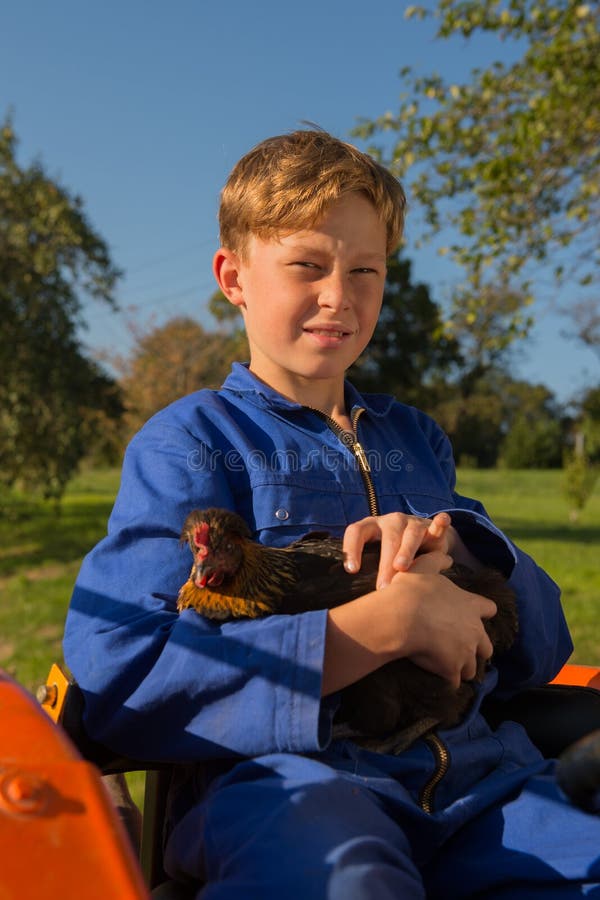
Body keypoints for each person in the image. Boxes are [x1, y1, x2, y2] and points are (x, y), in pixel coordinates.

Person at [64, 129, 600, 898]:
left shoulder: (416, 441)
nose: (339, 297)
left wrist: (465, 560)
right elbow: (121, 678)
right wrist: (382, 628)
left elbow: (543, 650)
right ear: (233, 276)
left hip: (485, 783)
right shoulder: (193, 444)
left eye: (365, 271)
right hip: (290, 791)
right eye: (308, 266)